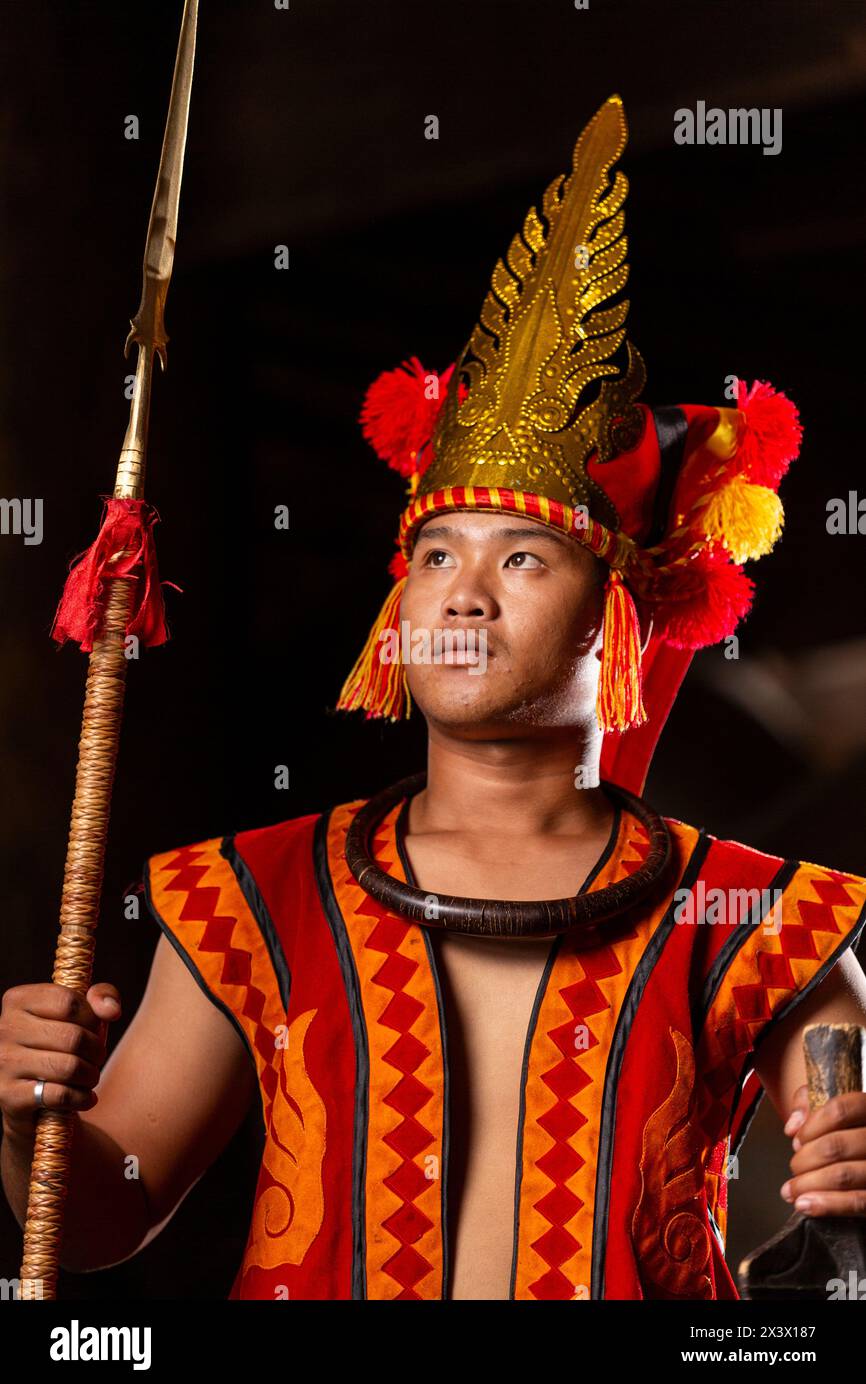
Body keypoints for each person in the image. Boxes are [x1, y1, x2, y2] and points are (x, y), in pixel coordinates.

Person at [3, 94, 866, 1302]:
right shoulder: (247, 894)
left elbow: (840, 1249)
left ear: (614, 613)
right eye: (434, 553)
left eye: (522, 559)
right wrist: (30, 1117)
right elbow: (105, 1214)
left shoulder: (767, 920)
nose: (462, 593)